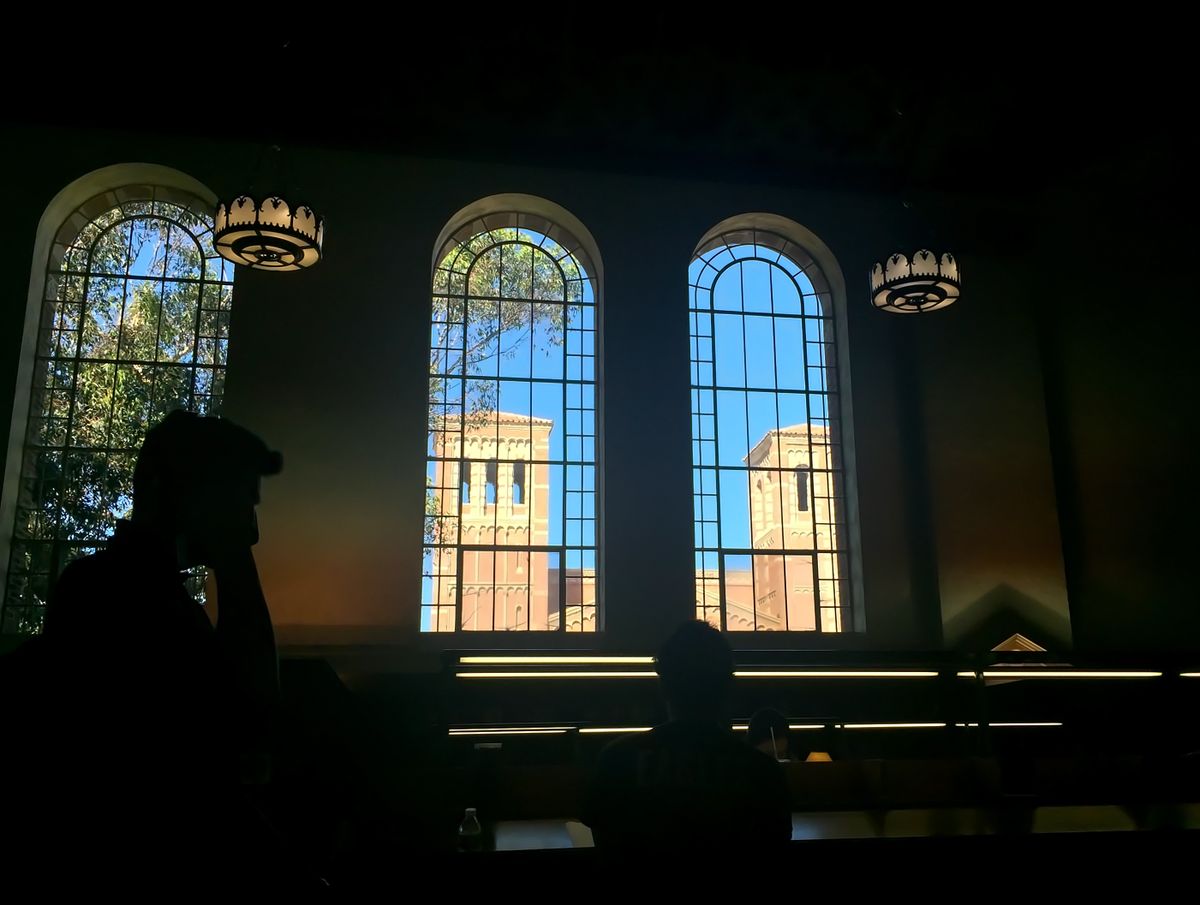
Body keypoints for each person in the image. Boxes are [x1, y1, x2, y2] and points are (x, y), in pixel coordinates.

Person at [1, 410, 288, 885]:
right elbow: (247, 721)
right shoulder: (119, 598)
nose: (249, 520)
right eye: (236, 499)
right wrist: (234, 553)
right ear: (178, 492)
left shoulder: (133, 594)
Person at [582, 620, 792, 854]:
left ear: (663, 686)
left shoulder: (617, 761)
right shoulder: (763, 774)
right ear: (728, 686)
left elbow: (605, 846)